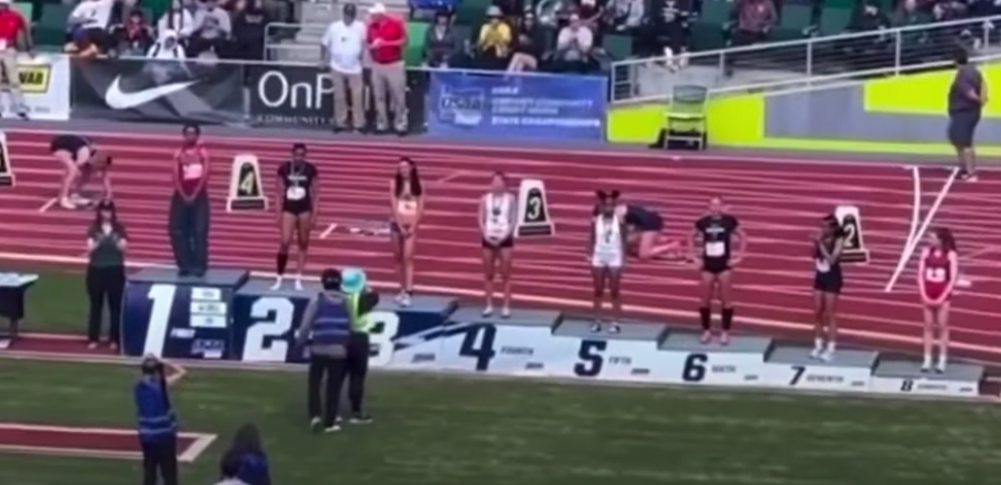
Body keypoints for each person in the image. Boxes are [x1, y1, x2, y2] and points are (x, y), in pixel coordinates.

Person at [295, 268, 351, 433]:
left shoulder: (317, 300)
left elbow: (305, 326)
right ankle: (330, 421)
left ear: (323, 282)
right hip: (339, 350)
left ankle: (315, 416)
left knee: (314, 384)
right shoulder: (347, 301)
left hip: (318, 348)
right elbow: (352, 326)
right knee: (333, 387)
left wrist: (299, 344)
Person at [690, 195, 745, 345]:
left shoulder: (729, 221)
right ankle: (706, 331)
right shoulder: (703, 222)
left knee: (726, 300)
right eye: (712, 205)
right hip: (707, 265)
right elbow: (690, 236)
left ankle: (725, 332)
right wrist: (694, 256)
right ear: (708, 207)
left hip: (724, 266)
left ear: (722, 206)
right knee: (705, 300)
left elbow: (742, 236)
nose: (715, 208)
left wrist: (739, 256)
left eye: (717, 205)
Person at [272, 143, 319, 291]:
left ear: (305, 156)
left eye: (302, 155)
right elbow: (278, 192)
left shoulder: (311, 170)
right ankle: (279, 276)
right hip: (289, 208)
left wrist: (315, 214)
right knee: (285, 241)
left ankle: (298, 277)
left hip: (304, 209)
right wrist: (277, 212)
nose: (299, 157)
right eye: (297, 155)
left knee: (303, 242)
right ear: (292, 154)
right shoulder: (284, 168)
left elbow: (316, 193)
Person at [134, 354, 186, 485]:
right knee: (169, 474)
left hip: (146, 436)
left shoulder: (138, 386)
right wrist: (164, 361)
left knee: (149, 472)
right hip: (165, 436)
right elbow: (182, 372)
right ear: (157, 369)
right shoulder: (162, 385)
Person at [170, 124, 210, 277]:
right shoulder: (178, 153)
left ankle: (199, 265)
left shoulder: (203, 154)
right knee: (177, 230)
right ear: (183, 135)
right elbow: (174, 175)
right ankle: (184, 265)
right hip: (180, 195)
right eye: (187, 133)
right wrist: (182, 194)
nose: (190, 136)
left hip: (199, 195)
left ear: (197, 136)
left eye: (193, 134)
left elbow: (206, 175)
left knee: (199, 231)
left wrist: (195, 194)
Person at [86, 199, 127, 351]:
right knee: (96, 306)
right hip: (96, 270)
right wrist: (100, 241)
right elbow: (89, 248)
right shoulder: (94, 228)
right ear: (99, 212)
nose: (106, 213)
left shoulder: (119, 228)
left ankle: (114, 339)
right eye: (104, 210)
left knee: (115, 306)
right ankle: (93, 338)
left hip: (115, 270)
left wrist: (114, 240)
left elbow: (123, 248)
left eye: (109, 210)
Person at [918, 227, 959, 373]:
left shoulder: (950, 255)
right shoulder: (925, 252)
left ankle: (942, 359)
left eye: (932, 237)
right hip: (928, 292)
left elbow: (952, 278)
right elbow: (920, 275)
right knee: (928, 326)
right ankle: (927, 359)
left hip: (943, 294)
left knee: (942, 326)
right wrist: (923, 294)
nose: (929, 240)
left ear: (940, 240)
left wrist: (942, 297)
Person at [321, 3, 366, 132]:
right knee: (339, 96)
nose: (349, 18)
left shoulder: (361, 27)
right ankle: (340, 122)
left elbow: (364, 42)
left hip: (355, 67)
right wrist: (322, 59)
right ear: (343, 14)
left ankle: (359, 123)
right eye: (347, 15)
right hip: (337, 66)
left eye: (351, 15)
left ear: (354, 15)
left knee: (357, 96)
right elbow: (324, 43)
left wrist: (362, 56)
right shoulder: (334, 27)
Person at [341, 267, 378, 424]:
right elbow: (375, 296)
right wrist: (365, 287)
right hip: (360, 339)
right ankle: (356, 412)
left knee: (338, 376)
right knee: (357, 376)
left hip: (342, 338)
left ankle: (331, 411)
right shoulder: (363, 299)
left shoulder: (340, 299)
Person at [366, 2, 408, 135]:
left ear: (381, 15)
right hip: (378, 64)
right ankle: (382, 124)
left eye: (374, 14)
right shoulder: (371, 26)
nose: (372, 16)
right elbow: (368, 42)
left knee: (398, 95)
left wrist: (386, 44)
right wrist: (371, 48)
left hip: (394, 64)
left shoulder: (396, 23)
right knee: (379, 96)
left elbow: (404, 41)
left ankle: (400, 124)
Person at [589, 190, 627, 333]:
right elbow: (592, 237)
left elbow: (624, 238)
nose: (609, 208)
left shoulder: (620, 221)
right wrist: (590, 254)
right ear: (602, 206)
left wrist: (623, 257)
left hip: (614, 256)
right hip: (599, 256)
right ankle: (597, 320)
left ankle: (615, 321)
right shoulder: (596, 220)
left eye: (611, 205)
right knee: (598, 291)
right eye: (606, 205)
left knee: (615, 291)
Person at [479, 172, 516, 318]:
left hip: (505, 239)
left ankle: (506, 306)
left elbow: (513, 220)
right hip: (488, 238)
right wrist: (486, 235)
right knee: (488, 274)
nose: (495, 184)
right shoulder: (484, 199)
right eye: (493, 181)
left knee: (505, 274)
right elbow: (481, 219)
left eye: (498, 182)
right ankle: (489, 305)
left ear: (504, 184)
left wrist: (504, 237)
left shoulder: (511, 199)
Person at [948, 46, 986, 182]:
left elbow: (969, 93)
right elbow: (984, 85)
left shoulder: (962, 76)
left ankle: (971, 172)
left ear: (954, 61)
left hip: (964, 112)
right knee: (957, 139)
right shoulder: (974, 71)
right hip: (968, 112)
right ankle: (964, 167)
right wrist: (983, 99)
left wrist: (979, 99)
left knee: (965, 143)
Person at [389, 157, 424, 307]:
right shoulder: (394, 184)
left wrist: (414, 225)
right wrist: (399, 225)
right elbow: (393, 205)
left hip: (411, 226)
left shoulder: (419, 185)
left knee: (408, 257)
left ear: (411, 168)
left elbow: (421, 206)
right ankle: (401, 289)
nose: (403, 170)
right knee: (398, 257)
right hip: (396, 225)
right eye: (400, 168)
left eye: (405, 167)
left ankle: (409, 291)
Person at [811, 214, 845, 362]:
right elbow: (813, 255)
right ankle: (818, 345)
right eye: (821, 226)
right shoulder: (821, 238)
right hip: (819, 276)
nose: (822, 229)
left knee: (830, 313)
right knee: (818, 311)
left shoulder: (839, 240)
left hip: (832, 278)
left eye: (825, 227)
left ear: (833, 228)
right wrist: (815, 244)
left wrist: (821, 244)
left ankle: (831, 348)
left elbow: (832, 259)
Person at [50, 134, 113, 209]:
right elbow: (69, 172)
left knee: (87, 172)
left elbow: (104, 175)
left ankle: (75, 195)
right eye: (98, 167)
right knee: (72, 171)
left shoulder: (99, 156)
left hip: (75, 146)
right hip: (60, 145)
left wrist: (109, 193)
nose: (96, 170)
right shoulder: (85, 155)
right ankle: (63, 198)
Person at [612, 201, 677, 261]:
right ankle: (660, 241)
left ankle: (671, 246)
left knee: (644, 255)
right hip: (645, 222)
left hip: (650, 223)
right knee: (629, 247)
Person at [0, 0, 31, 120]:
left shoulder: (15, 16)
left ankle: (20, 108)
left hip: (9, 50)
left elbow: (25, 30)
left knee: (14, 80)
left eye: (3, 4)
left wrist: (29, 47)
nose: (1, 6)